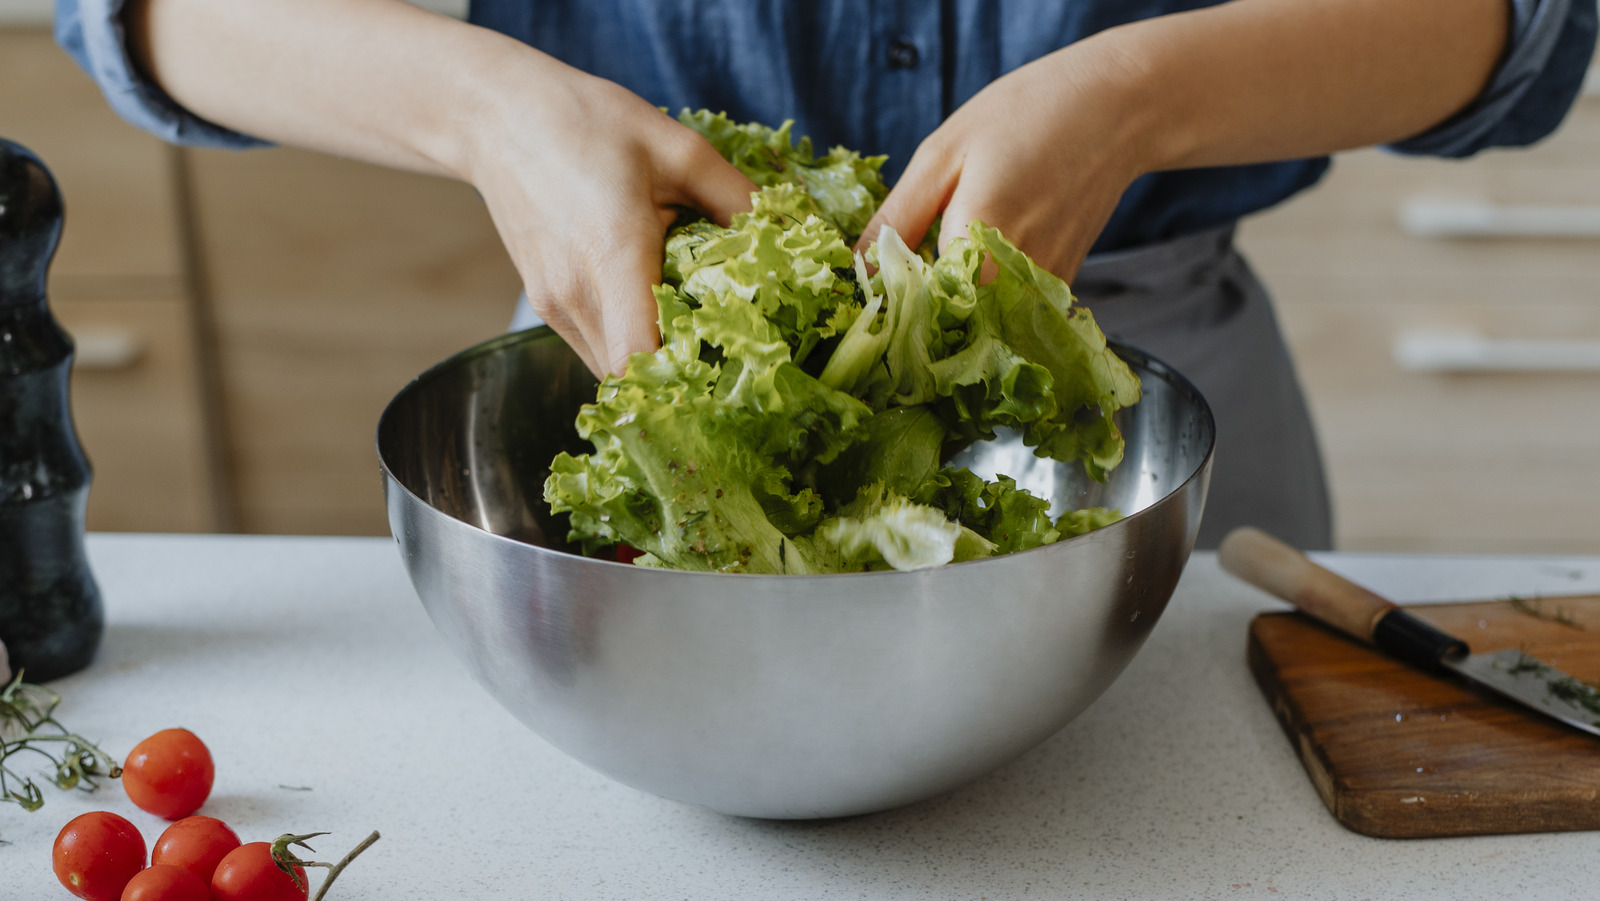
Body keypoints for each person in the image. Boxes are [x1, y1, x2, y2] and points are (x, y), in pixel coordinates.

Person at [55, 0, 1597, 550]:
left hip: (1132, 404)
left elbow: (1518, 21)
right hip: (644, 382)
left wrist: (1139, 95)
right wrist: (493, 111)